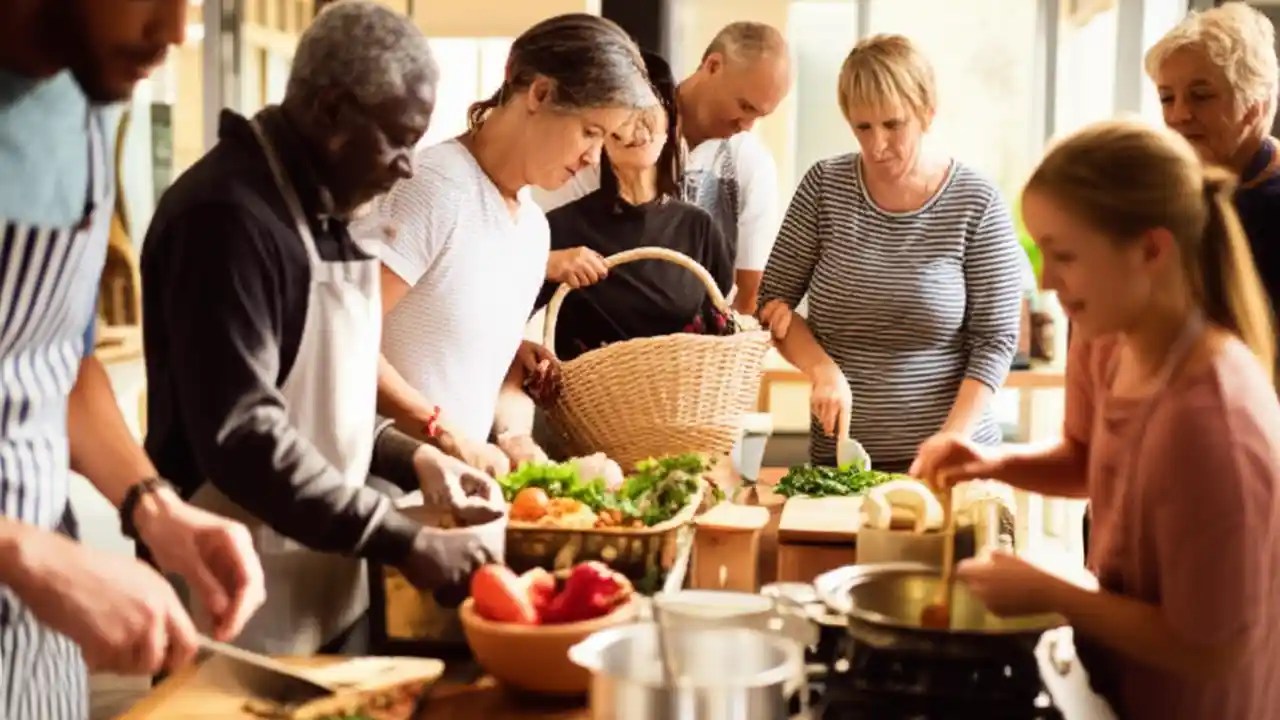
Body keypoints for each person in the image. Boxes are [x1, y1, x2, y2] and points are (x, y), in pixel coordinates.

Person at [141, 0, 503, 656]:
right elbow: (244, 433)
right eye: (398, 139)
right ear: (332, 110)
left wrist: (413, 456)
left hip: (324, 575)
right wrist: (401, 539)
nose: (406, 167)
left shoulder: (321, 212)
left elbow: (314, 402)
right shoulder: (227, 218)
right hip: (234, 586)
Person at [913, 119, 1280, 720]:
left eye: (1063, 256)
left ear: (1151, 250)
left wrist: (1053, 593)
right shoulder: (1111, 340)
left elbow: (1215, 646)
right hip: (1120, 688)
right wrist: (990, 461)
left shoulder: (1214, 418)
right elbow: (1087, 460)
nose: (1045, 281)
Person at [0, 0, 267, 715]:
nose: (178, 30)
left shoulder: (89, 101)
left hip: (34, 635)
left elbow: (53, 361)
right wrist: (23, 555)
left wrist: (153, 506)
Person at [356, 13, 656, 477]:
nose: (594, 158)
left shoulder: (533, 229)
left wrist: (516, 438)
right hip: (374, 486)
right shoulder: (434, 186)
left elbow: (490, 368)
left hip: (453, 495)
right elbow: (340, 335)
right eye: (591, 132)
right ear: (539, 93)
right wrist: (440, 430)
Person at [757, 34, 1024, 473]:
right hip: (840, 462)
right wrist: (822, 369)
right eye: (863, 127)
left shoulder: (975, 201)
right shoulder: (825, 188)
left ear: (927, 113)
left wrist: (951, 440)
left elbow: (995, 340)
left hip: (953, 462)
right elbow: (773, 304)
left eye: (893, 125)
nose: (877, 145)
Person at [534, 23, 791, 315]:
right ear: (713, 65)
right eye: (744, 106)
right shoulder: (596, 153)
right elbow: (541, 260)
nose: (747, 125)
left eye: (760, 115)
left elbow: (748, 295)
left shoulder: (748, 167)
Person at [535, 50, 734, 363]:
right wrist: (545, 263)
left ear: (670, 119)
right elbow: (501, 314)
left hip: (684, 406)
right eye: (621, 110)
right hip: (588, 408)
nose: (635, 127)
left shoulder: (699, 228)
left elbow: (723, 329)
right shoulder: (562, 228)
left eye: (647, 108)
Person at [1146, 3, 1280, 328]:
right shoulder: (1163, 191)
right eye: (1167, 98)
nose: (1178, 115)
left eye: (1201, 95)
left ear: (1254, 106)